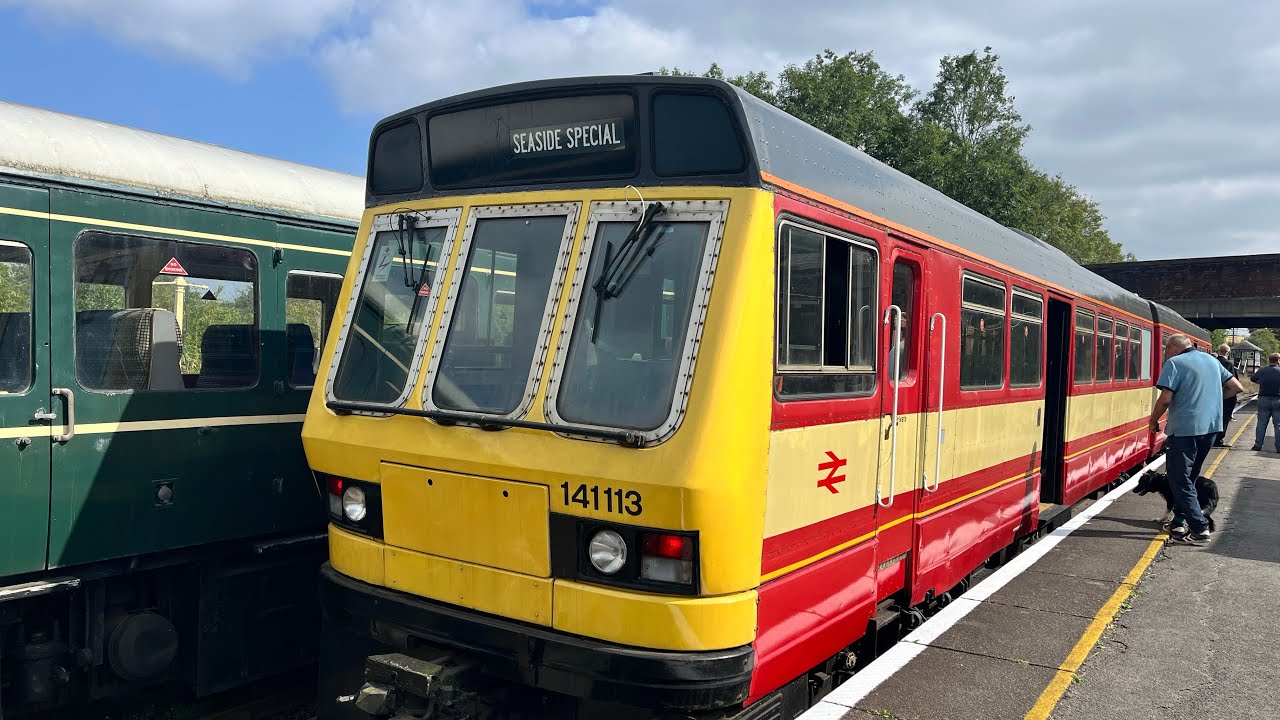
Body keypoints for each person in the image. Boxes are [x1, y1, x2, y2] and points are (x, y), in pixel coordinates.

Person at [1148, 335, 1244, 544]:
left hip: (1185, 430)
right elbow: (1236, 387)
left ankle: (1200, 527)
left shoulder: (1174, 363)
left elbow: (1165, 399)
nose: (1166, 353)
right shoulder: (1212, 360)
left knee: (1178, 479)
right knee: (1190, 477)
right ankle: (1178, 522)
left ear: (1173, 348)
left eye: (1166, 349)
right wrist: (1211, 402)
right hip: (1210, 429)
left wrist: (1153, 420)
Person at [1251, 352, 1280, 452]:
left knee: (1262, 423)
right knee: (1278, 425)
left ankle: (1257, 445)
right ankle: (1279, 447)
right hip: (1278, 399)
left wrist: (1261, 382)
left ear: (1269, 360)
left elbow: (1253, 378)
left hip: (1263, 398)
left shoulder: (1262, 370)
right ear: (1278, 361)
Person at [1213, 343, 1238, 447]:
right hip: (1225, 396)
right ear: (1228, 352)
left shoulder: (1212, 361)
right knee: (1224, 418)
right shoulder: (1228, 364)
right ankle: (1218, 440)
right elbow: (1233, 382)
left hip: (1211, 394)